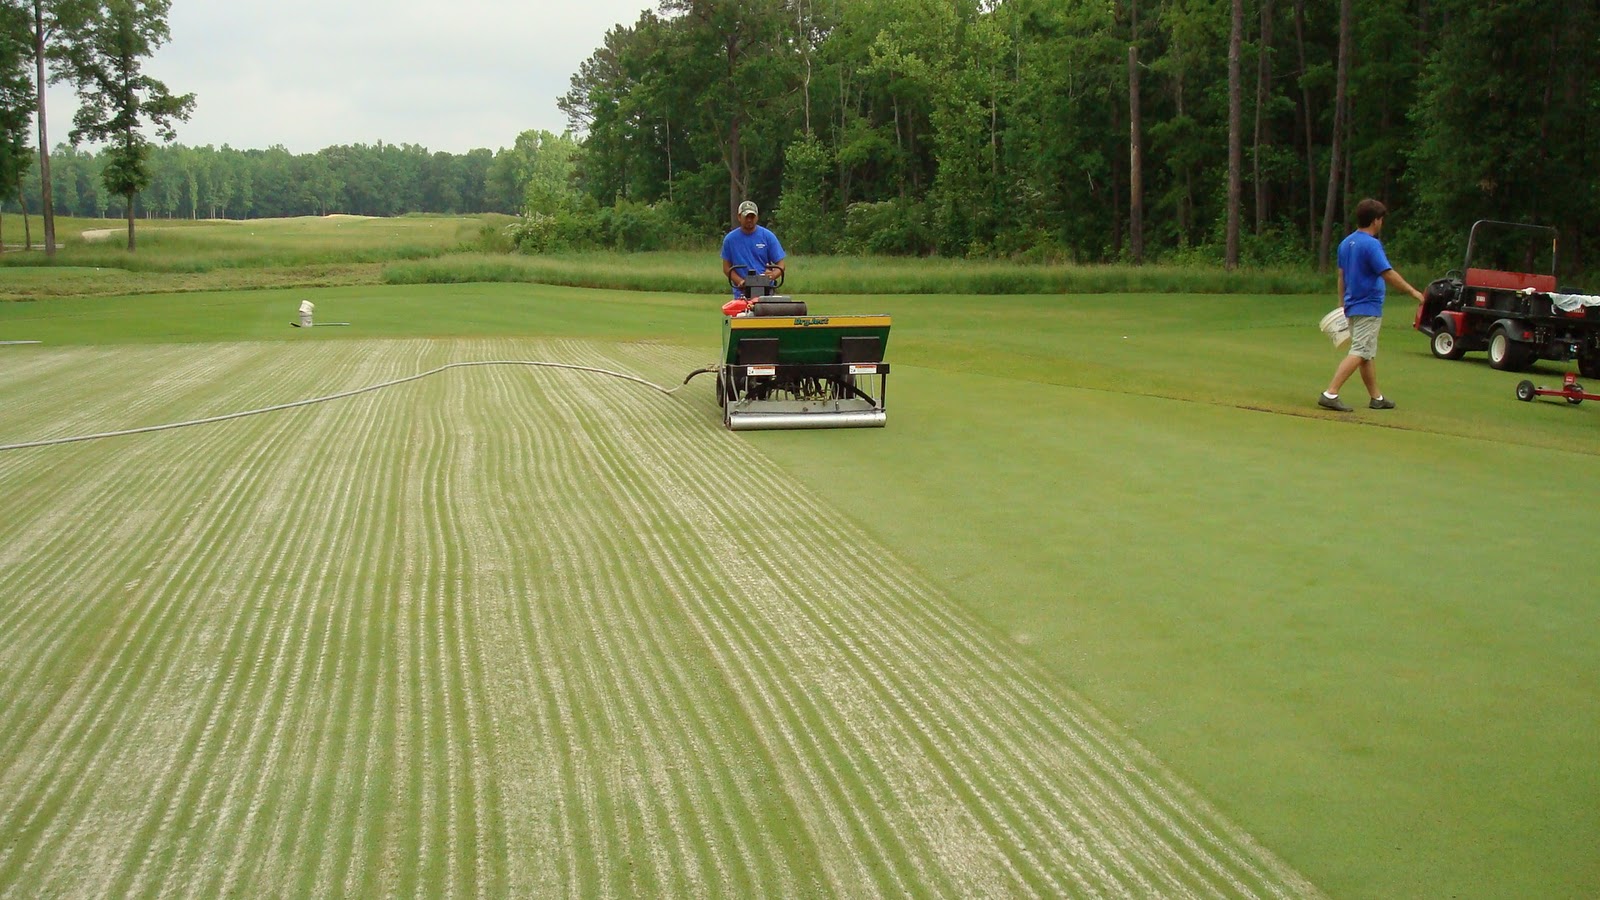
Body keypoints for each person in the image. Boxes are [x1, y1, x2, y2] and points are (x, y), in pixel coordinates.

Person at [1318, 198, 1425, 411]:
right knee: (1360, 350)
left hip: (1352, 305)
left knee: (1366, 353)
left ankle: (1376, 398)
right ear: (1375, 220)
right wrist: (1413, 291)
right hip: (1368, 306)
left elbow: (1342, 276)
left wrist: (1342, 304)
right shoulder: (1371, 244)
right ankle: (1331, 393)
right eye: (1381, 219)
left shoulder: (1345, 243)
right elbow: (1388, 273)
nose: (1381, 222)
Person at [721, 200, 785, 297]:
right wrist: (740, 281)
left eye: (752, 217)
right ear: (739, 217)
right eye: (746, 217)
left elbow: (781, 264)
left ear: (757, 217)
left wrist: (772, 275)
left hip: (766, 291)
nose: (749, 220)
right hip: (741, 293)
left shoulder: (767, 236)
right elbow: (726, 268)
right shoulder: (730, 240)